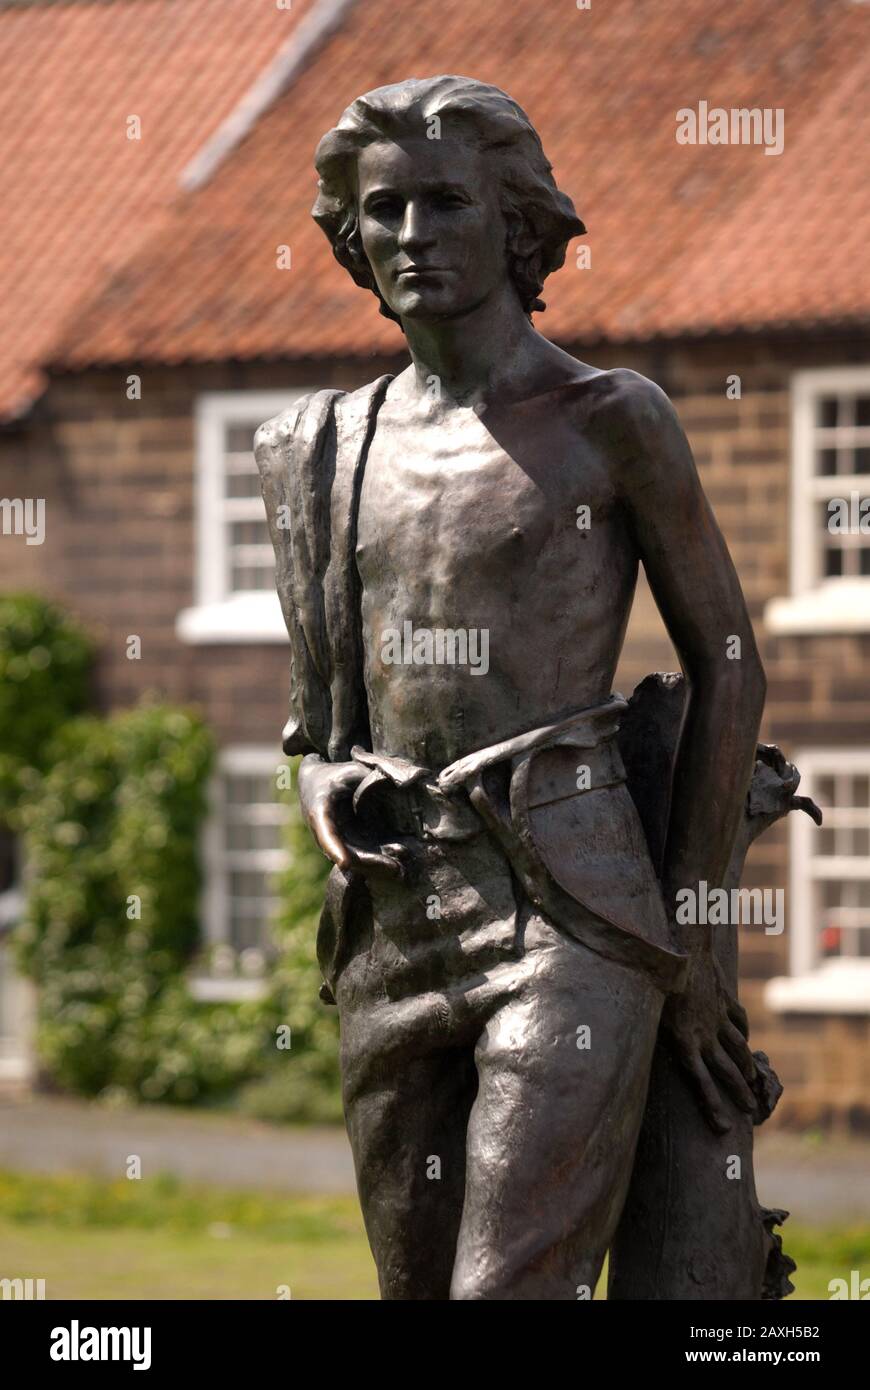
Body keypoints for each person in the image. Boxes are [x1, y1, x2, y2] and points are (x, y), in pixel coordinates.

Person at [255, 76, 766, 1300]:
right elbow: (320, 729)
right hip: (393, 916)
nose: (413, 235)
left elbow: (731, 665)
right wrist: (325, 775)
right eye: (384, 211)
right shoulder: (317, 449)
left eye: (446, 203)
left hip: (570, 903)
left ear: (515, 223)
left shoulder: (610, 418)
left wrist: (695, 945)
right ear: (353, 237)